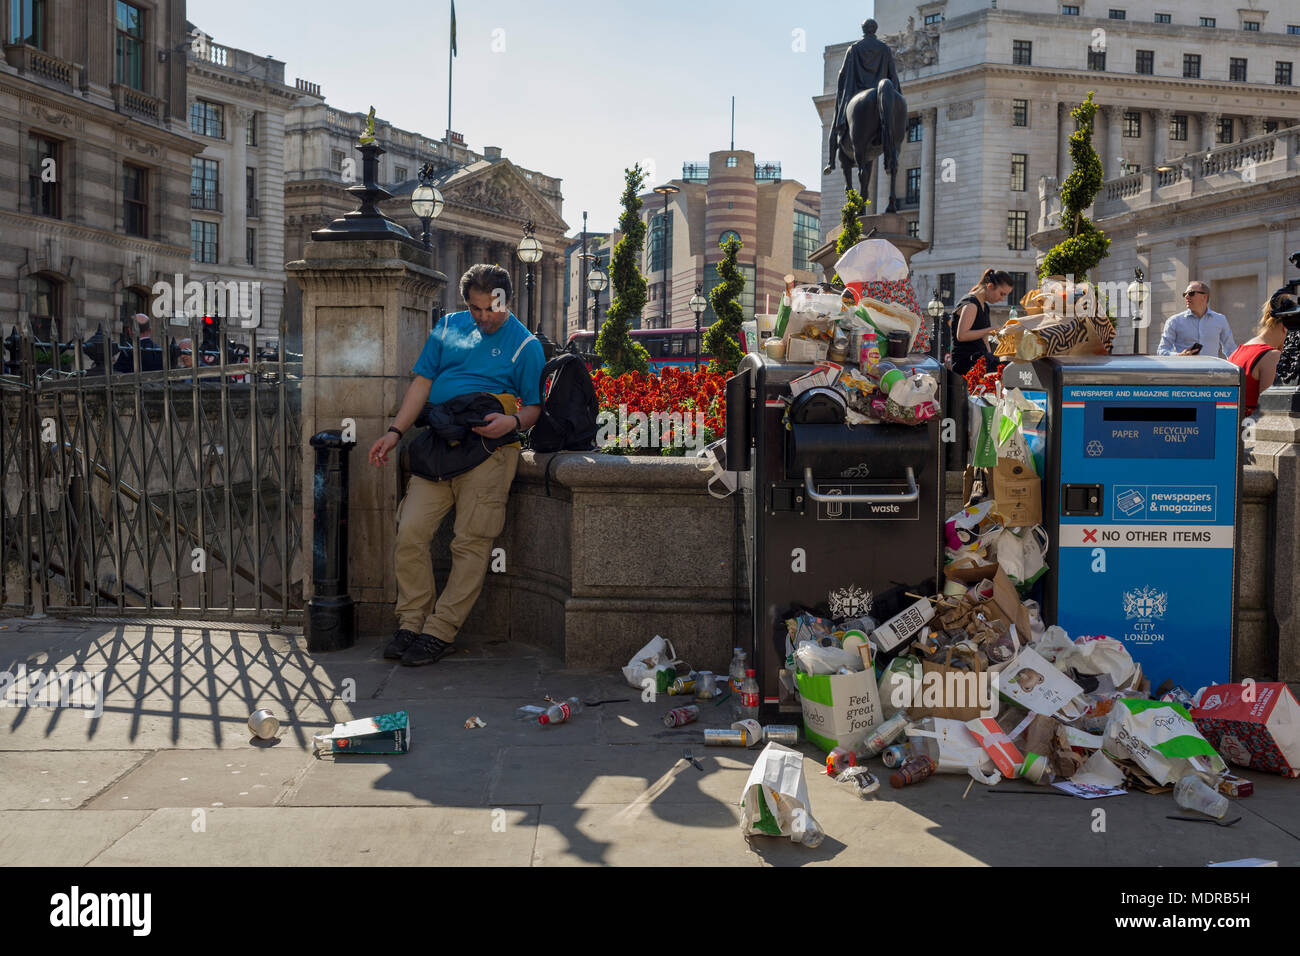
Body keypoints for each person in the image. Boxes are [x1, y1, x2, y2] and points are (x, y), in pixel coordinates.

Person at [367, 264, 545, 666]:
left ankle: (439, 631)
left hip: (490, 450)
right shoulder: (448, 327)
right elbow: (422, 384)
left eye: (491, 307)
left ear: (506, 300)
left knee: (470, 543)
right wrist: (395, 432)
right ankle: (410, 622)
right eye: (476, 308)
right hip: (440, 442)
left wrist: (512, 423)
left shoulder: (527, 346)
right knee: (409, 531)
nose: (483, 317)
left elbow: (534, 407)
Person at [824, 18, 901, 174]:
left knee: (835, 125)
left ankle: (831, 161)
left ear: (863, 30)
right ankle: (891, 157)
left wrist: (841, 95)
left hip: (855, 92)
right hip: (881, 96)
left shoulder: (854, 48)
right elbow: (893, 74)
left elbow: (843, 74)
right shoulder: (885, 49)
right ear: (875, 29)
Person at [1227, 296, 1290, 417]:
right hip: (1252, 431)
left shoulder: (1239, 351)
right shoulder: (1272, 356)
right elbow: (1271, 411)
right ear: (1285, 327)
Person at [950, 269, 1013, 376]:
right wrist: (989, 330)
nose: (1002, 299)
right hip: (966, 363)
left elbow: (985, 339)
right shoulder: (971, 304)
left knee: (1009, 368)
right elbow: (961, 335)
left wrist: (990, 356)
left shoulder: (984, 306)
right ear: (990, 286)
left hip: (979, 361)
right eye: (1001, 294)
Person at [1157, 281, 1235, 357]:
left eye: (1191, 293)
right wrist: (1179, 355)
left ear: (1204, 297)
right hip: (1185, 370)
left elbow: (1231, 350)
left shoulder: (1220, 319)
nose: (1186, 296)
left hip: (1212, 370)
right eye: (1185, 294)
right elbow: (1161, 351)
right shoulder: (1174, 321)